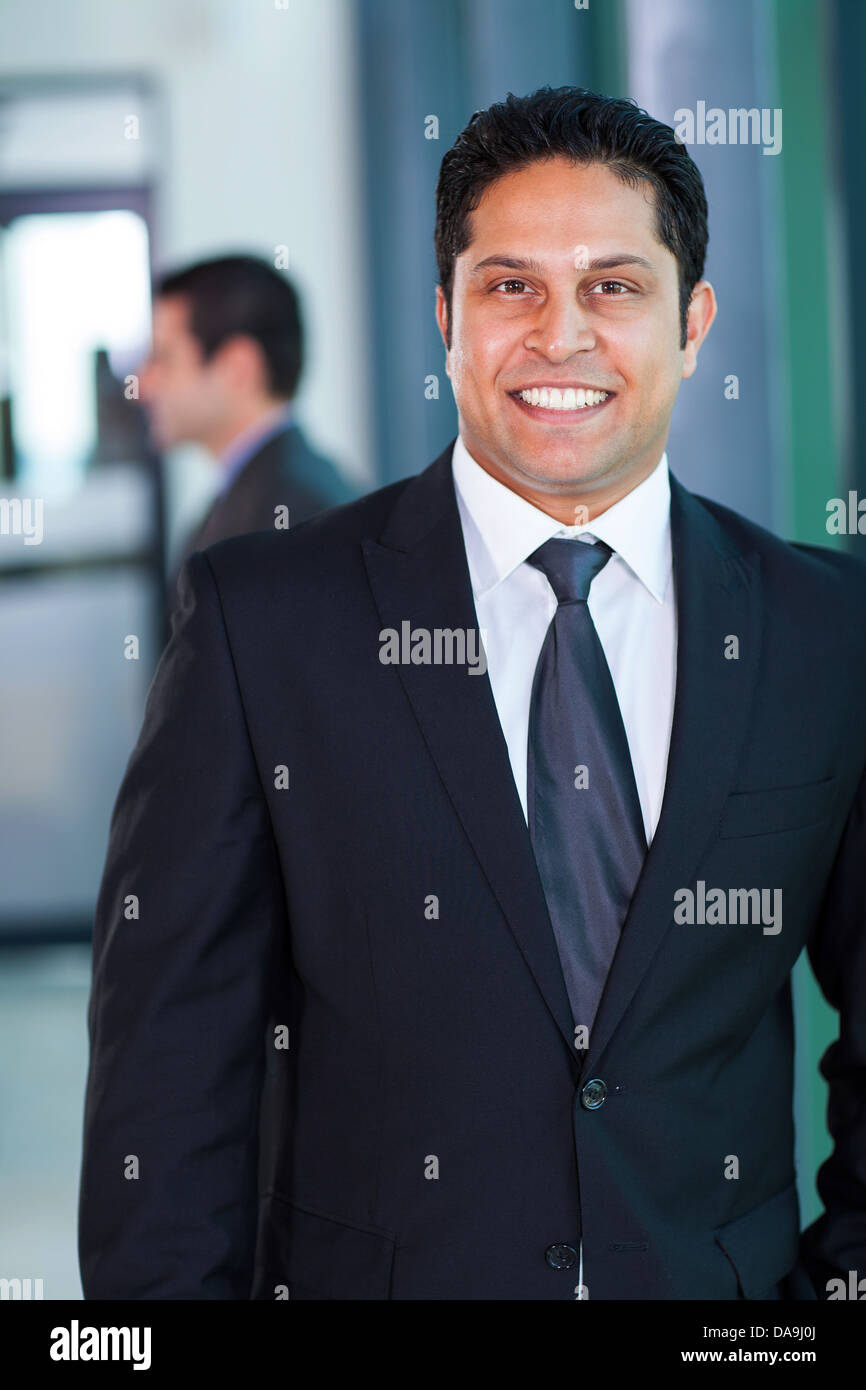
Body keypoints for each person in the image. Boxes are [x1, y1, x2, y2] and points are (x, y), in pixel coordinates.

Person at [78, 87, 866, 1300]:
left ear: (692, 321)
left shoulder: (822, 631)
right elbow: (171, 1071)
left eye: (614, 285)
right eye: (509, 287)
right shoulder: (264, 621)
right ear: (445, 315)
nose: (560, 336)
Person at [137, 254, 356, 607]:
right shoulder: (256, 496)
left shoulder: (298, 515)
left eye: (163, 358)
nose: (143, 384)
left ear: (238, 367)